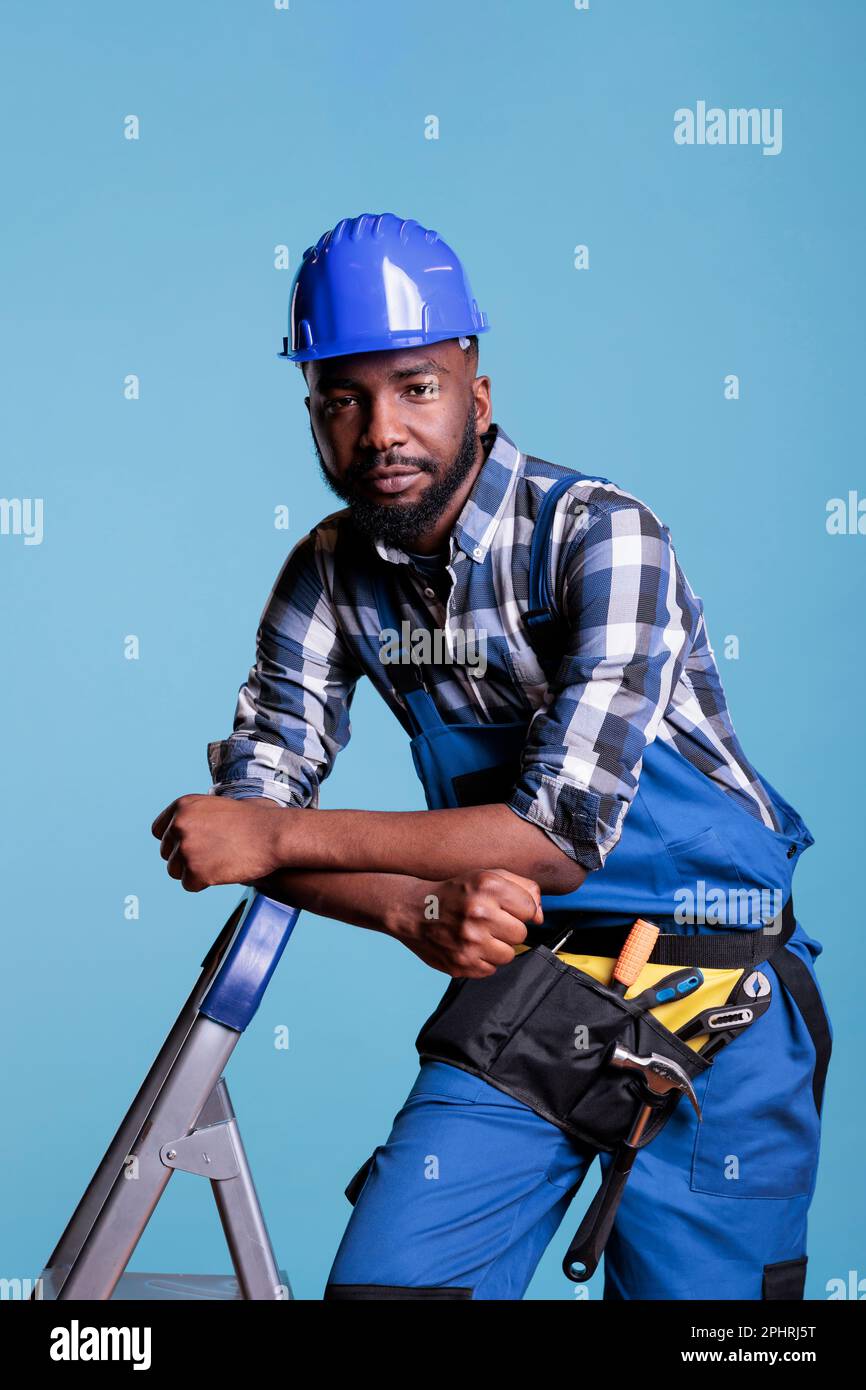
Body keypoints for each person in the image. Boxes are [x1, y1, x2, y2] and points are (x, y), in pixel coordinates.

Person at [151, 212, 832, 1300]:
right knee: (388, 1292)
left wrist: (274, 832)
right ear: (314, 412)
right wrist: (408, 909)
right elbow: (243, 827)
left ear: (476, 387)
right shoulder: (326, 573)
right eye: (342, 398)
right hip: (531, 985)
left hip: (720, 989)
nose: (380, 430)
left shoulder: (601, 536)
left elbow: (549, 836)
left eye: (414, 386)